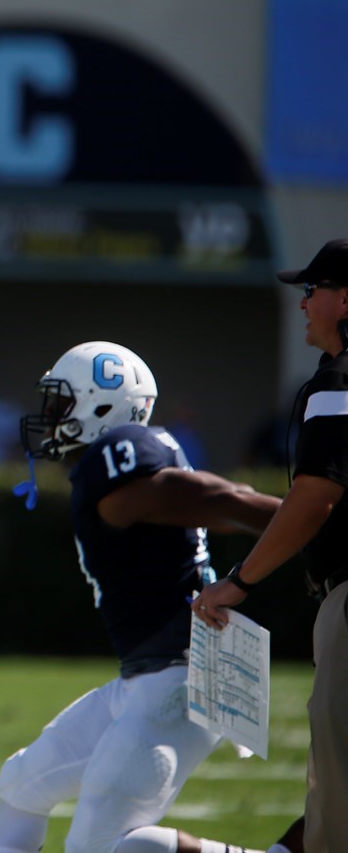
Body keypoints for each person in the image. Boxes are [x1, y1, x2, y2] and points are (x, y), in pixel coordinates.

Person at [0, 340, 281, 853]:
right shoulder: (118, 472)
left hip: (180, 680)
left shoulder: (119, 456)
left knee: (100, 847)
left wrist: (313, 524)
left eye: (61, 403)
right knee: (20, 784)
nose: (49, 416)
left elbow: (220, 499)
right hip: (151, 675)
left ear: (101, 407)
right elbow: (215, 504)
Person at [196, 238, 348, 853]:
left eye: (312, 290)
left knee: (339, 795)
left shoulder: (338, 381)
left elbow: (315, 496)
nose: (303, 304)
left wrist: (240, 581)